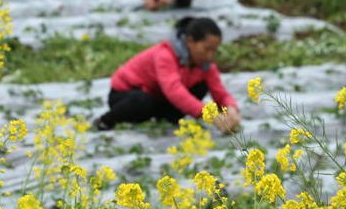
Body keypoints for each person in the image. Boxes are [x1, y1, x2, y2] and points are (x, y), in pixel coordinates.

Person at [93, 17, 241, 133]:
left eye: (214, 50)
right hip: (126, 96)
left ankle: (164, 120)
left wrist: (231, 109)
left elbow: (220, 93)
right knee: (144, 102)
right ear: (190, 41)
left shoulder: (206, 66)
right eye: (206, 49)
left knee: (200, 87)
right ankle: (105, 120)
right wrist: (210, 115)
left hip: (158, 97)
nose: (210, 55)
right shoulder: (165, 55)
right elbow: (174, 91)